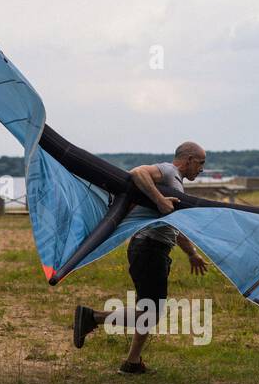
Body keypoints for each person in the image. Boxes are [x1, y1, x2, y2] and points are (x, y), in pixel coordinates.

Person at [73, 142, 208, 372]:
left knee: (149, 309)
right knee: (150, 312)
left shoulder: (176, 184)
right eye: (201, 163)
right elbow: (137, 173)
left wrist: (192, 254)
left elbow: (173, 225)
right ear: (188, 159)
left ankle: (132, 362)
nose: (202, 169)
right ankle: (93, 317)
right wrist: (159, 200)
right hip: (148, 247)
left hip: (156, 248)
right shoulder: (167, 171)